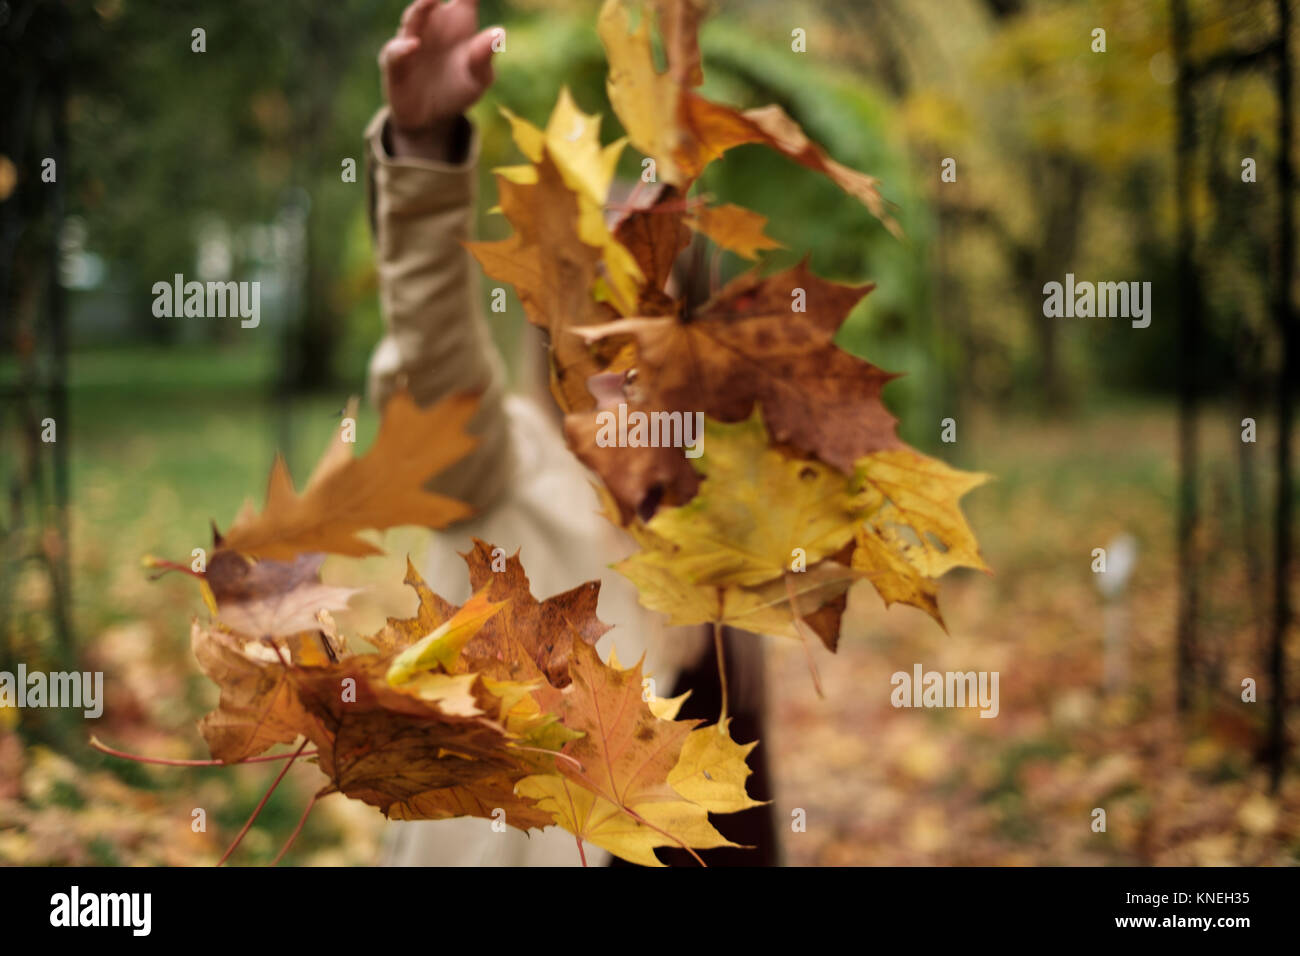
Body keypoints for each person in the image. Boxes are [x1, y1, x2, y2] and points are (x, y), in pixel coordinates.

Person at [364, 0, 776, 866]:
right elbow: (436, 358)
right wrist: (426, 158)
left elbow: (737, 811)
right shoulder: (500, 468)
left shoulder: (708, 542)